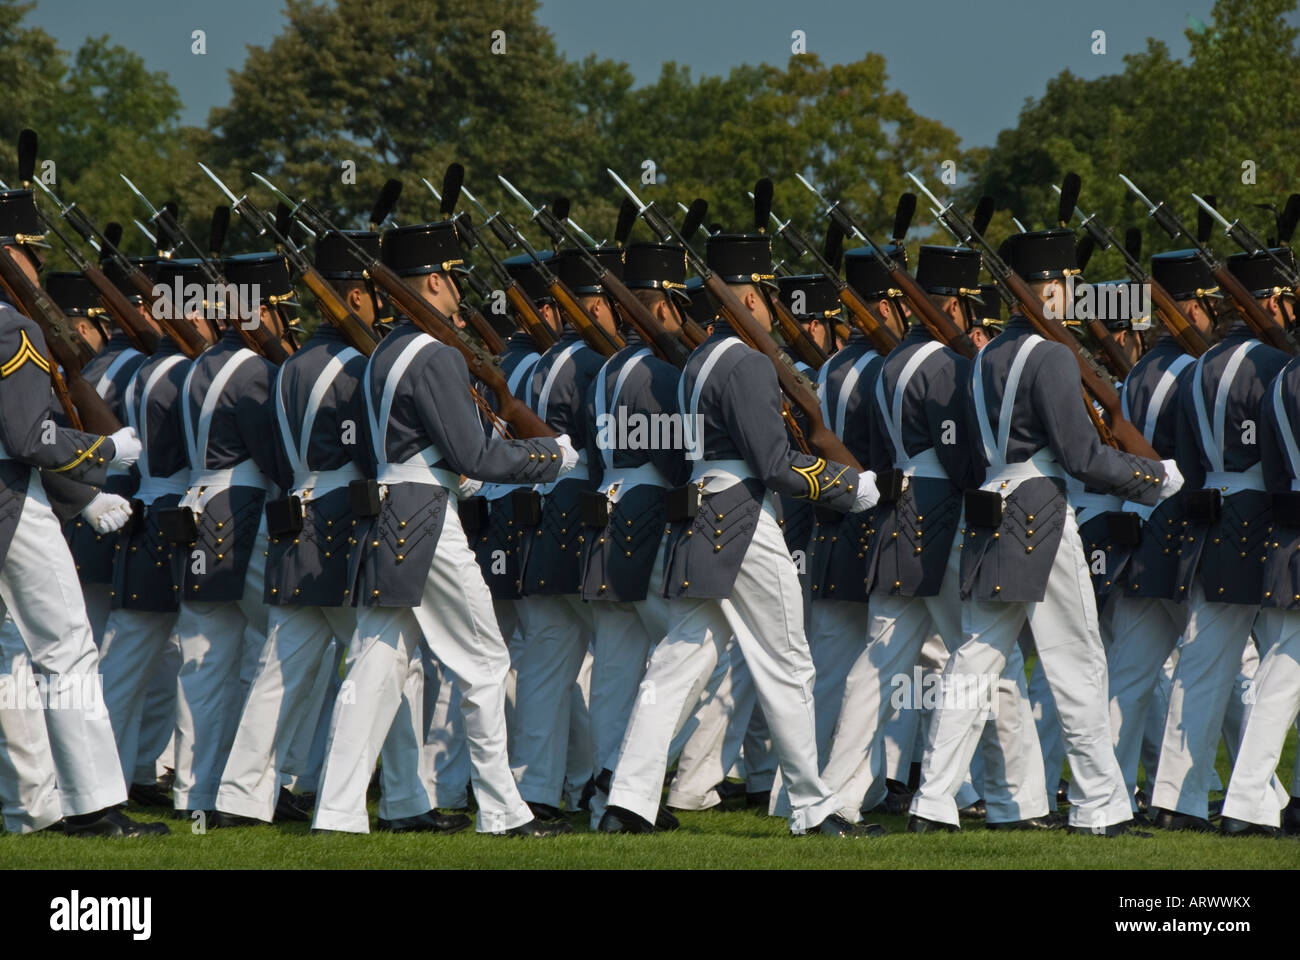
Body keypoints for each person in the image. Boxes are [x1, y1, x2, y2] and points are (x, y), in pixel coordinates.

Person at [600, 231, 881, 837]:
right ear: (746, 300)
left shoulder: (696, 365)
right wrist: (848, 487)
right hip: (741, 519)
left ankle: (628, 798)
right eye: (764, 296)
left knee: (677, 662)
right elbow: (776, 465)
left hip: (701, 514)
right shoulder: (746, 363)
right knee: (787, 662)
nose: (770, 309)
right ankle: (814, 806)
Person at [908, 229, 1179, 836]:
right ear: (1051, 287)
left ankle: (931, 802)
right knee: (1077, 662)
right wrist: (1153, 477)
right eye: (1070, 287)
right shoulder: (1052, 356)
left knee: (972, 661)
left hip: (992, 505)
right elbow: (1082, 457)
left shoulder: (982, 359)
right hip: (1039, 510)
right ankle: (1099, 807)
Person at [311, 219, 577, 836]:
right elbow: (474, 456)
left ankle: (347, 808)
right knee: (483, 659)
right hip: (425, 518)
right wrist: (551, 458)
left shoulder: (383, 353)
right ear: (435, 281)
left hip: (392, 509)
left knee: (376, 665)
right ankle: (505, 813)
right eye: (453, 281)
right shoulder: (436, 355)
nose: (459, 291)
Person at [0, 187, 164, 837]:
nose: (38, 273)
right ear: (12, 256)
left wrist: (83, 497)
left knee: (14, 658)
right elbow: (26, 441)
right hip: (15, 506)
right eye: (32, 257)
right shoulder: (13, 328)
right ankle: (95, 805)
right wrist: (106, 449)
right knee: (66, 650)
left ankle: (28, 807)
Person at [1151, 248, 1292, 830]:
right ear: (1273, 301)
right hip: (1269, 515)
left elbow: (1184, 457)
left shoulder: (1199, 365)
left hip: (1210, 514)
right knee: (1280, 661)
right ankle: (1251, 799)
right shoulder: (1277, 365)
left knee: (1203, 661)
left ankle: (1174, 800)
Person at [168, 252, 292, 819]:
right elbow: (273, 458)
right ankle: (258, 786)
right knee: (277, 650)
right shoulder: (255, 372)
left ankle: (195, 791)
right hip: (243, 513)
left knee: (204, 660)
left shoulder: (198, 366)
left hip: (199, 508)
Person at [579, 241, 690, 827]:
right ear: (665, 305)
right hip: (648, 513)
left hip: (608, 507)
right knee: (687, 651)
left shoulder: (605, 370)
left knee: (616, 668)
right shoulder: (666, 371)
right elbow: (677, 458)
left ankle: (608, 798)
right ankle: (627, 782)